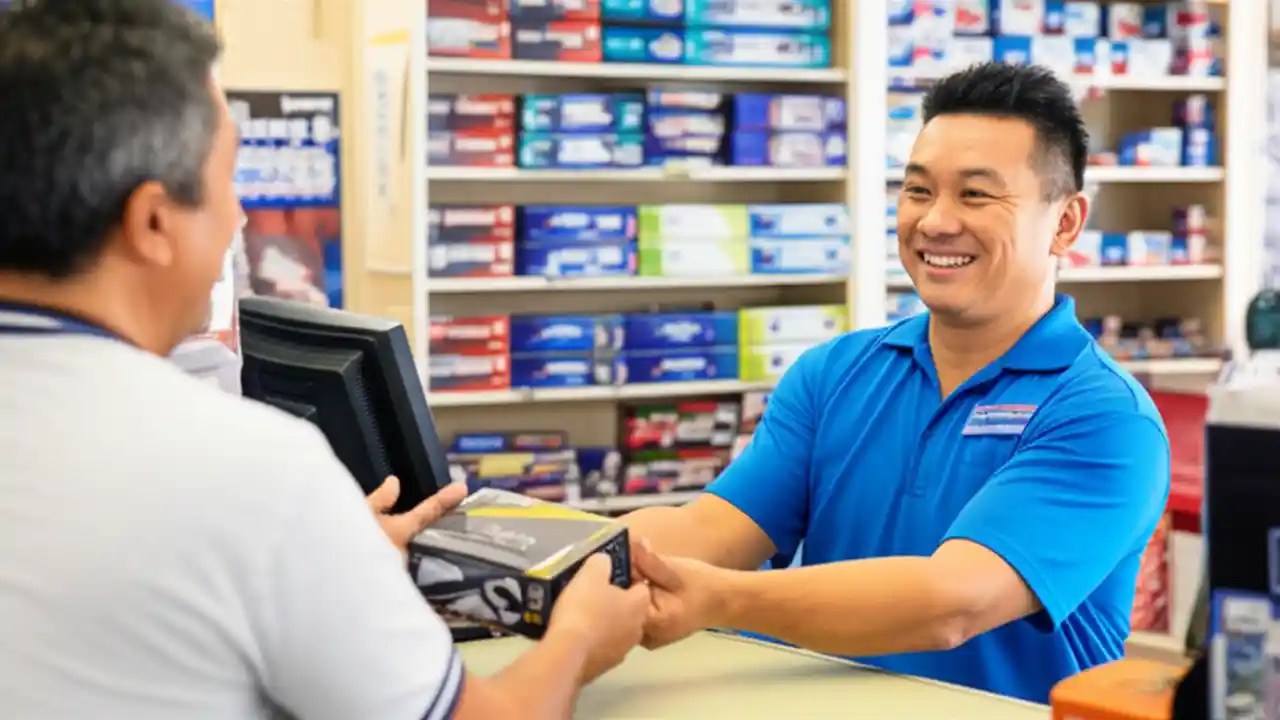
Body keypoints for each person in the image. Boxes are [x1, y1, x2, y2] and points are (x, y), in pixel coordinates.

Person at [0, 2, 648, 718]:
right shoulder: (250, 469)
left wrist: (329, 563)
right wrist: (583, 637)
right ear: (154, 222)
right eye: (227, 180)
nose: (240, 220)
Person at [625, 62, 1171, 704]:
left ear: (1066, 223)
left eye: (975, 195)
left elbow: (952, 603)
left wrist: (719, 598)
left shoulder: (1104, 417)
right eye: (917, 191)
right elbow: (712, 532)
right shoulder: (833, 373)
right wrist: (540, 550)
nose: (935, 222)